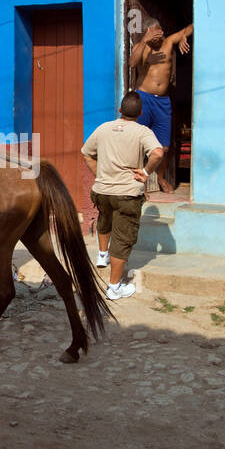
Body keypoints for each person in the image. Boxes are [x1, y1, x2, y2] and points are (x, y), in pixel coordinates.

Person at [81, 91, 166, 300]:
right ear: (141, 112)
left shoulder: (103, 128)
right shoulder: (142, 131)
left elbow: (86, 153)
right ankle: (114, 287)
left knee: (105, 219)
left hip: (102, 190)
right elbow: (157, 152)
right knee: (122, 238)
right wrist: (146, 172)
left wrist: (99, 174)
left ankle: (102, 256)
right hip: (127, 194)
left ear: (120, 109)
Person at [129, 16, 192, 190]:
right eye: (157, 31)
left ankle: (160, 178)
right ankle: (135, 182)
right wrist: (144, 41)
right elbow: (132, 63)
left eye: (162, 30)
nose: (161, 34)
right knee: (137, 144)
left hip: (163, 101)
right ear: (149, 31)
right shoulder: (141, 47)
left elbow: (191, 26)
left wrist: (184, 36)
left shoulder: (168, 42)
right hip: (143, 98)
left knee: (163, 147)